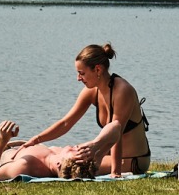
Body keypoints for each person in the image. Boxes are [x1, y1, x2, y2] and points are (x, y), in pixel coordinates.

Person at [20, 43, 151, 177]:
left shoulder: (122, 90)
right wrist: (36, 139)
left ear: (98, 70)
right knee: (60, 154)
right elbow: (66, 123)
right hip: (109, 154)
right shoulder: (92, 91)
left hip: (133, 161)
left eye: (82, 73)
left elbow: (116, 132)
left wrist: (115, 172)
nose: (78, 78)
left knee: (65, 164)